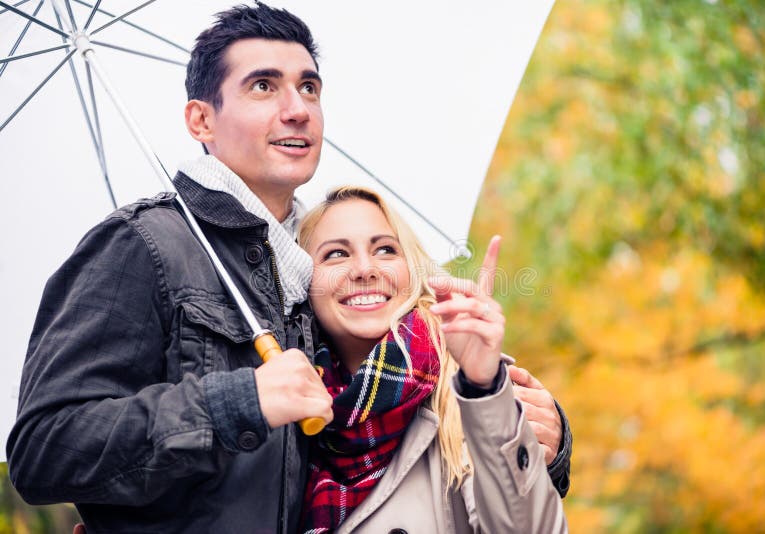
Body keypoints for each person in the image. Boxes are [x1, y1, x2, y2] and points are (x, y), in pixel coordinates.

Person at [6, 3, 570, 533]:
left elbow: (390, 408)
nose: (297, 108)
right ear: (201, 120)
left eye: (308, 86)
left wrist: (538, 429)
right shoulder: (142, 246)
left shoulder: (304, 272)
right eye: (263, 85)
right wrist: (238, 402)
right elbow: (44, 450)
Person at [297, 186, 567, 532]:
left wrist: (484, 389)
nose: (364, 269)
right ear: (305, 278)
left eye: (385, 249)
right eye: (336, 254)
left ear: (411, 268)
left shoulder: (466, 396)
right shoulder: (289, 409)